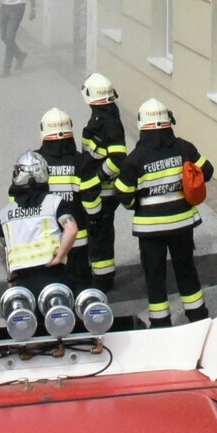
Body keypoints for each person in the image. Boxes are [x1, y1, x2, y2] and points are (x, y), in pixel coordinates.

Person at [115, 98, 213, 327]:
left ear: (142, 124)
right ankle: (198, 318)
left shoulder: (134, 159)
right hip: (182, 224)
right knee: (186, 270)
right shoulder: (184, 148)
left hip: (150, 230)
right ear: (168, 121)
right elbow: (207, 171)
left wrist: (137, 204)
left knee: (155, 275)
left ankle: (160, 323)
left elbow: (123, 194)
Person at [33, 107, 103, 290]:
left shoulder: (34, 162)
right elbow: (90, 201)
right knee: (80, 288)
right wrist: (96, 222)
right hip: (77, 241)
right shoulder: (82, 161)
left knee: (50, 290)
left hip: (45, 242)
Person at [0, 151, 79, 301]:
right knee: (62, 313)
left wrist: (11, 279)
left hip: (23, 281)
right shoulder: (55, 202)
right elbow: (72, 230)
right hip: (54, 275)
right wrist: (59, 257)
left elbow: (3, 249)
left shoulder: (6, 213)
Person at [80, 73, 127, 288]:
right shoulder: (102, 117)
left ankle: (103, 281)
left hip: (103, 191)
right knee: (97, 234)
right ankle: (99, 275)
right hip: (97, 190)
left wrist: (96, 178)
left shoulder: (108, 122)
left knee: (101, 236)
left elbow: (118, 158)